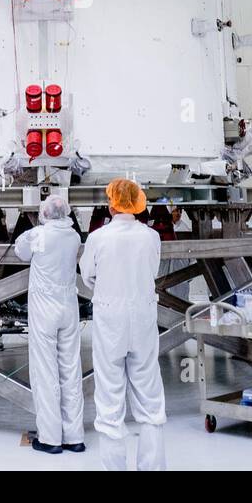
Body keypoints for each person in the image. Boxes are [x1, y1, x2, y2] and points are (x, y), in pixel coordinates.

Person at [79, 178, 167, 471]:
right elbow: (152, 270)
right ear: (138, 202)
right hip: (143, 316)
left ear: (111, 203)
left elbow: (87, 275)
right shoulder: (151, 237)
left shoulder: (98, 238)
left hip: (110, 318)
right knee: (149, 395)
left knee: (109, 395)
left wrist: (107, 288)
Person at [15, 196, 85, 455]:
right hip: (69, 306)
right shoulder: (74, 236)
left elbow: (19, 252)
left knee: (45, 372)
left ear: (44, 213)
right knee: (70, 370)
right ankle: (74, 437)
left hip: (45, 310)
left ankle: (50, 438)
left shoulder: (37, 235)